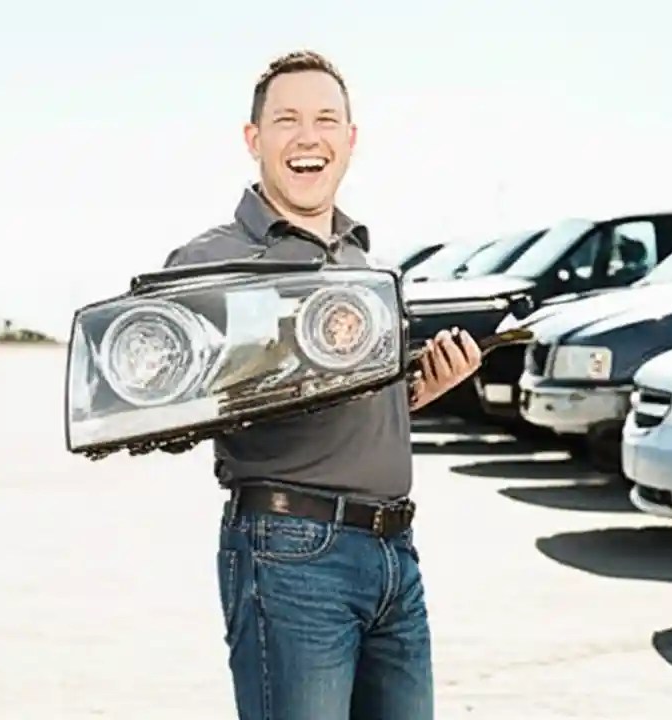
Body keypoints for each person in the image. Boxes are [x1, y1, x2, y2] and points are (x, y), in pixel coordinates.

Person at [162, 49, 482, 720]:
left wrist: (419, 391)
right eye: (287, 120)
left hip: (395, 554)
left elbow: (351, 404)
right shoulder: (211, 260)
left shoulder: (368, 263)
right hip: (290, 552)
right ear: (253, 139)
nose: (308, 136)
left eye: (326, 119)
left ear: (351, 139)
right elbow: (163, 410)